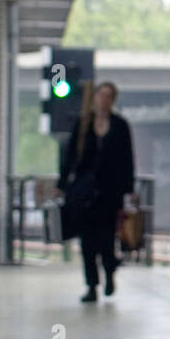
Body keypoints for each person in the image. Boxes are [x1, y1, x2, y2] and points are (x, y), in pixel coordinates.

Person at [58, 81, 136, 303]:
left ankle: (110, 273)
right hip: (83, 193)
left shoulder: (120, 126)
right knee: (87, 242)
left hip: (110, 192)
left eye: (108, 96)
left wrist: (129, 190)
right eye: (101, 95)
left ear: (113, 100)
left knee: (107, 238)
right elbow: (70, 158)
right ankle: (92, 285)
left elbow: (127, 160)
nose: (104, 100)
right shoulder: (83, 125)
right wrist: (61, 185)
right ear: (94, 99)